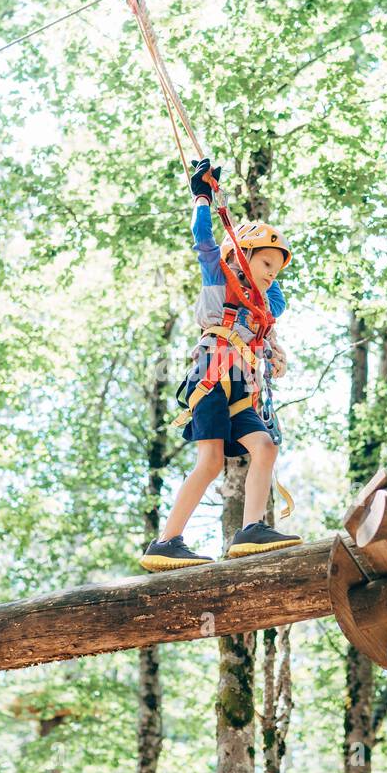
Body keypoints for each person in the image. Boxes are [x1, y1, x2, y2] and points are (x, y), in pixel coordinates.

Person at [140, 158, 303, 571]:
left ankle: (250, 529)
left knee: (265, 447)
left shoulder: (265, 306)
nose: (271, 275)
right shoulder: (218, 278)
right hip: (212, 378)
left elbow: (273, 307)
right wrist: (203, 196)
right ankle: (167, 541)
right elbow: (204, 239)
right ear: (243, 256)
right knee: (211, 462)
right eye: (265, 264)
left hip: (240, 388)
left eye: (276, 270)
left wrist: (275, 354)